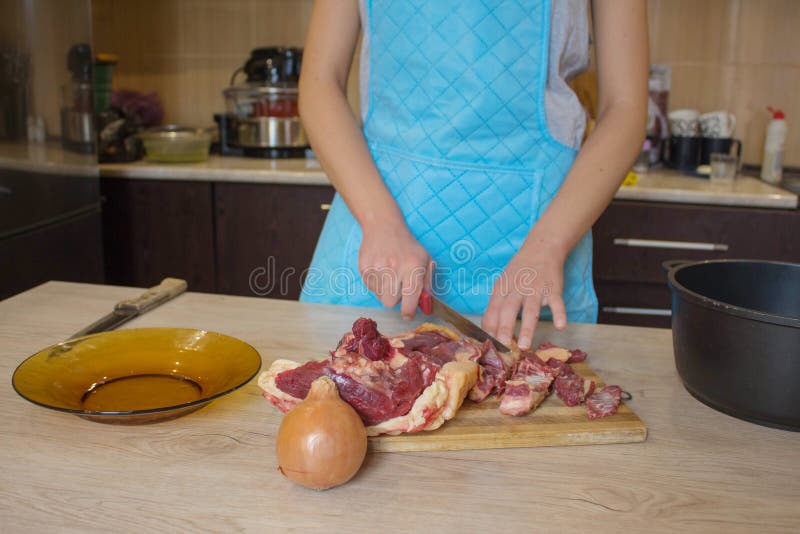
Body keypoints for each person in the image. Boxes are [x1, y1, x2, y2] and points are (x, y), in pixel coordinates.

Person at [298, 0, 648, 350]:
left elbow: (625, 109)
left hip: (539, 245)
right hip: (376, 235)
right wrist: (379, 221)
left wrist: (549, 244)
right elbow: (319, 83)